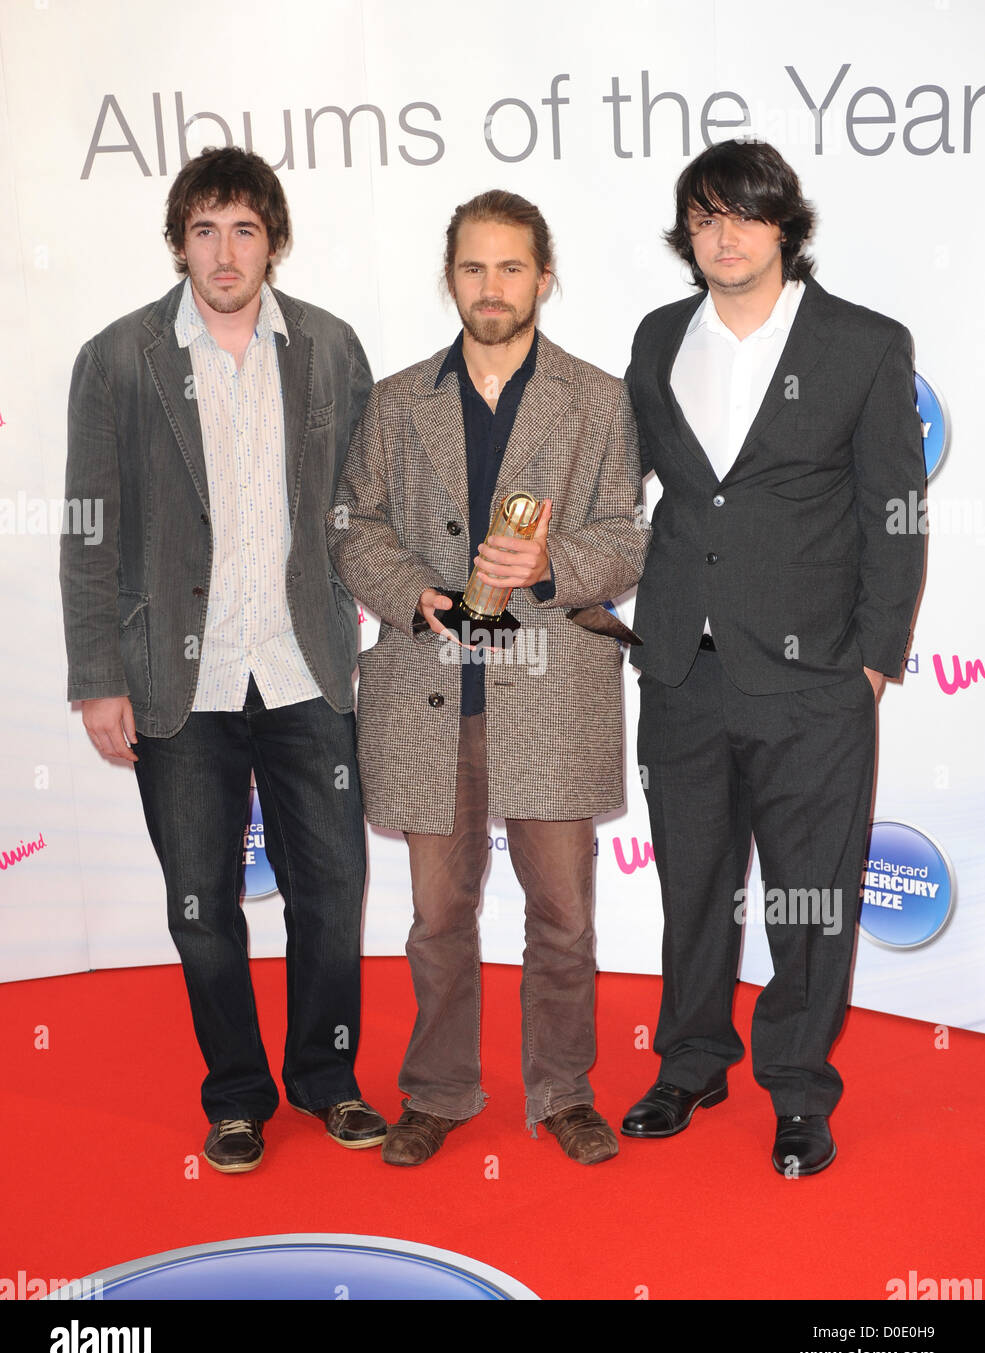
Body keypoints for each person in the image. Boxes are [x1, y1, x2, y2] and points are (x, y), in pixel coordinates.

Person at [60, 146, 385, 1173]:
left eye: (244, 227)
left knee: (331, 894)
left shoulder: (331, 351)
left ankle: (327, 1080)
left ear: (272, 242)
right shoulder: (117, 360)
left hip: (303, 668)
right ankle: (237, 1095)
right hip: (177, 679)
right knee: (201, 906)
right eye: (204, 229)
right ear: (178, 243)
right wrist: (97, 676)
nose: (225, 250)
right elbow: (90, 533)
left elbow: (359, 510)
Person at [621, 138, 925, 1175]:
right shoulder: (660, 336)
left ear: (783, 227)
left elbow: (896, 513)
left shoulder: (862, 343)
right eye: (704, 218)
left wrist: (873, 660)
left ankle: (796, 1088)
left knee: (808, 896)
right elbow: (655, 497)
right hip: (683, 672)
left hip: (812, 683)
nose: (724, 235)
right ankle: (690, 1063)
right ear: (687, 235)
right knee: (693, 886)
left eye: (744, 215)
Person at [328, 189, 648, 1166]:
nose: (492, 286)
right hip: (430, 695)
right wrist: (408, 588)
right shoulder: (393, 402)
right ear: (449, 278)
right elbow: (353, 525)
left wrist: (549, 567)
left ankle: (561, 1088)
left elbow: (627, 539)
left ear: (543, 277)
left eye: (511, 267)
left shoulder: (596, 399)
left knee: (563, 915)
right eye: (474, 267)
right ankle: (438, 1088)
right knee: (438, 918)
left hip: (550, 693)